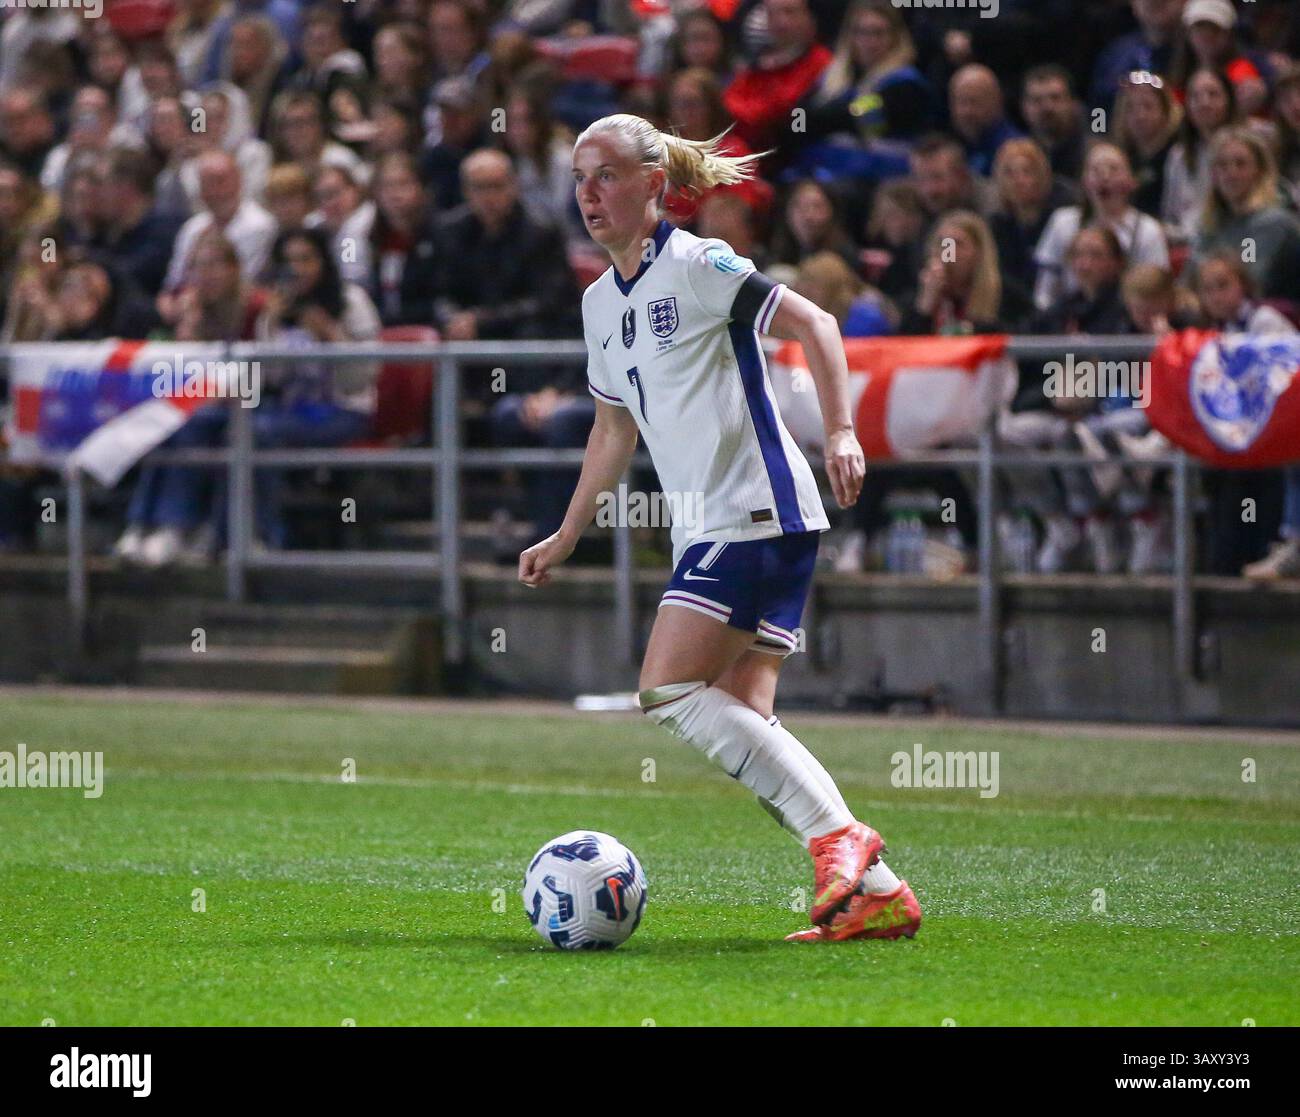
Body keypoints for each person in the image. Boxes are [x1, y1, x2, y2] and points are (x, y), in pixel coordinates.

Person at [518, 112, 921, 944]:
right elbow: (611, 432)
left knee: (665, 688)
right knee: (746, 720)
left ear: (653, 185)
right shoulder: (599, 305)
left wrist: (842, 429)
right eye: (578, 179)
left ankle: (841, 839)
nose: (588, 195)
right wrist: (565, 535)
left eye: (606, 176)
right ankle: (877, 893)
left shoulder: (698, 263)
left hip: (757, 508)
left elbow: (818, 323)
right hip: (720, 526)